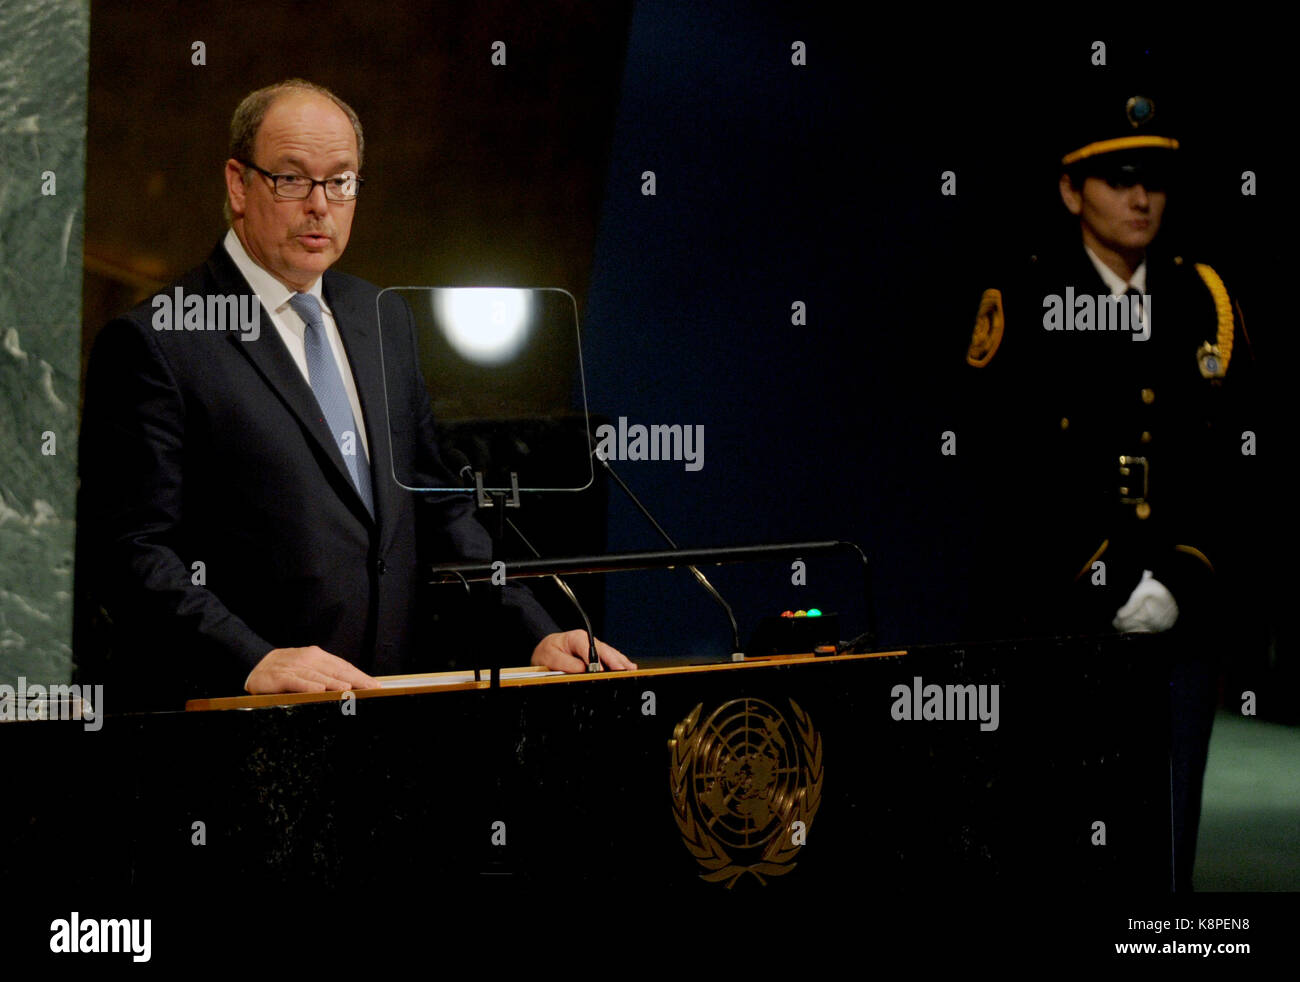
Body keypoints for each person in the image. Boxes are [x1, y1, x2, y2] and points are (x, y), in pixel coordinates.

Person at [76, 79, 631, 709]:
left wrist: (535, 633)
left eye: (341, 181)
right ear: (237, 184)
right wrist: (250, 659)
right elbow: (129, 551)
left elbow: (438, 506)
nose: (320, 205)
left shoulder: (381, 319)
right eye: (291, 179)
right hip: (233, 721)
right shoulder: (159, 342)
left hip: (386, 711)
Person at [961, 88, 1257, 890]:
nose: (1140, 198)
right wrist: (1111, 582)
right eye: (1119, 177)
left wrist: (1184, 574)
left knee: (1165, 847)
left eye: (1155, 179)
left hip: (1181, 618)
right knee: (1057, 837)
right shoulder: (1023, 299)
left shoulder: (1202, 299)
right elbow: (1007, 470)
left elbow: (1231, 461)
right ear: (1069, 189)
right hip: (1058, 617)